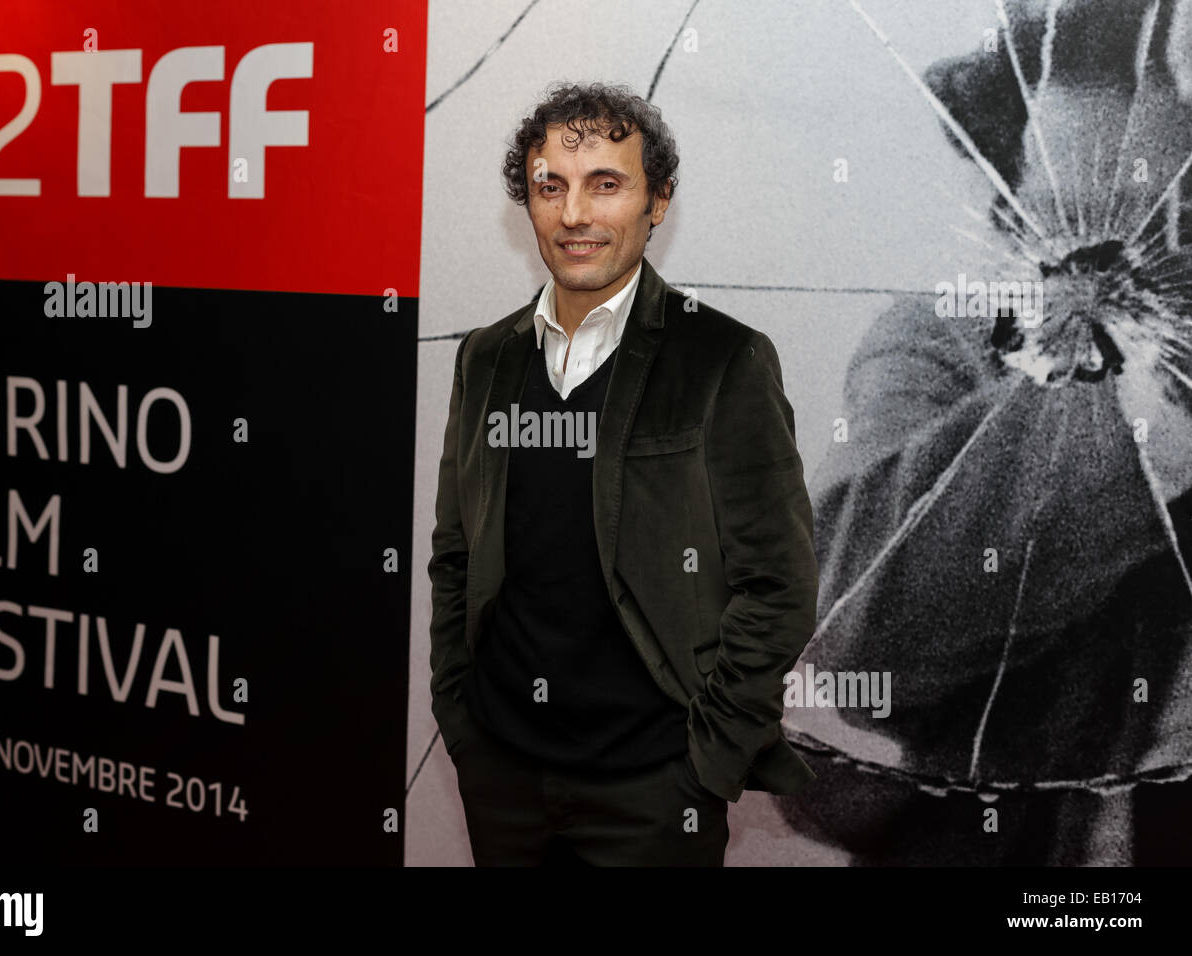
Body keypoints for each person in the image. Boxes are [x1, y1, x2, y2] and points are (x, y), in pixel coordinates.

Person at [778, 0, 1192, 865]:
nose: (1111, 280)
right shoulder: (938, 344)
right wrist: (1153, 402)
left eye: (1162, 234)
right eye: (1072, 233)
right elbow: (852, 615)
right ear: (1012, 223)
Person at [427, 81, 820, 866]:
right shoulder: (487, 357)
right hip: (502, 773)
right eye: (552, 187)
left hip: (653, 793)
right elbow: (455, 553)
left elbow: (778, 582)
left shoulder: (723, 360)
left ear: (658, 201)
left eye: (606, 184)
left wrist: (703, 764)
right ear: (528, 200)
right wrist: (461, 715)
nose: (574, 214)